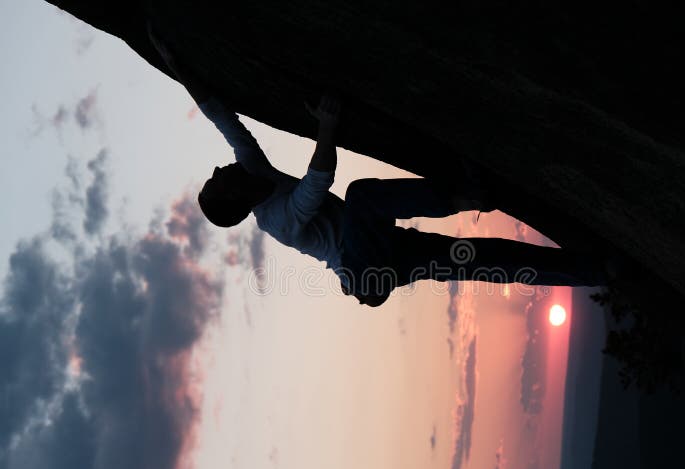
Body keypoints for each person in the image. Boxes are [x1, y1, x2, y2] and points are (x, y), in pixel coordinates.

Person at [147, 24, 608, 307]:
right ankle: (464, 195)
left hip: (382, 249)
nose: (218, 171)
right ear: (233, 199)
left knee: (481, 260)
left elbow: (224, 121)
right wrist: (327, 126)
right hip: (364, 271)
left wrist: (177, 66)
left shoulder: (254, 173)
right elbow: (316, 184)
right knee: (361, 196)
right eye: (216, 182)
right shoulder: (275, 221)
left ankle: (597, 272)